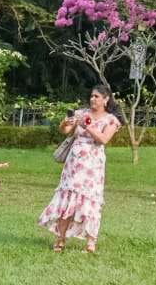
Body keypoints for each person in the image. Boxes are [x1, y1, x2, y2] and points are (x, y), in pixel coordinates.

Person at [38, 84, 122, 253]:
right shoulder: (80, 113)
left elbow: (104, 139)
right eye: (92, 96)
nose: (93, 99)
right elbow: (65, 130)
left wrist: (88, 127)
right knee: (68, 198)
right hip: (74, 164)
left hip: (93, 164)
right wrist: (65, 123)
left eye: (97, 97)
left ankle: (91, 242)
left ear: (106, 99)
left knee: (91, 200)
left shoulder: (111, 120)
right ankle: (60, 238)